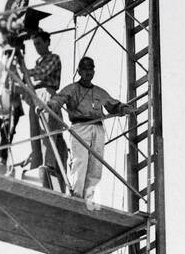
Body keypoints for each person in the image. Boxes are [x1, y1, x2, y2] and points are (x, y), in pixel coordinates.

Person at [48, 56, 133, 209]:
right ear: (79, 71)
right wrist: (51, 105)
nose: (88, 73)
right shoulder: (72, 89)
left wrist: (122, 108)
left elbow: (112, 104)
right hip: (81, 127)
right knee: (80, 161)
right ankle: (76, 196)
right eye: (85, 70)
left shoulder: (99, 92)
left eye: (91, 69)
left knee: (95, 165)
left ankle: (89, 199)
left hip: (98, 128)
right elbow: (59, 99)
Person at [25, 30, 67, 192]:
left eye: (39, 43)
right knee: (35, 134)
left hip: (48, 95)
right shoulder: (38, 61)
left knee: (48, 134)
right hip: (36, 95)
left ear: (47, 42)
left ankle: (48, 165)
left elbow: (43, 72)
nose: (37, 47)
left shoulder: (53, 58)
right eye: (35, 44)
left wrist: (25, 71)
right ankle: (36, 165)